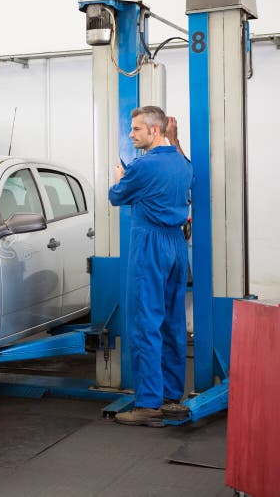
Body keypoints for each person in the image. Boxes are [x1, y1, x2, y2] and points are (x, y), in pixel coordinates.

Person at [108, 106, 193, 427]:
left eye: (136, 129)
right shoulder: (181, 163)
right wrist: (176, 138)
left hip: (150, 246)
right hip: (176, 245)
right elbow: (190, 172)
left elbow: (116, 196)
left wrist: (119, 177)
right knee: (172, 321)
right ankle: (172, 395)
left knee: (146, 321)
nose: (131, 134)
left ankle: (147, 404)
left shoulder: (142, 168)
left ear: (154, 131)